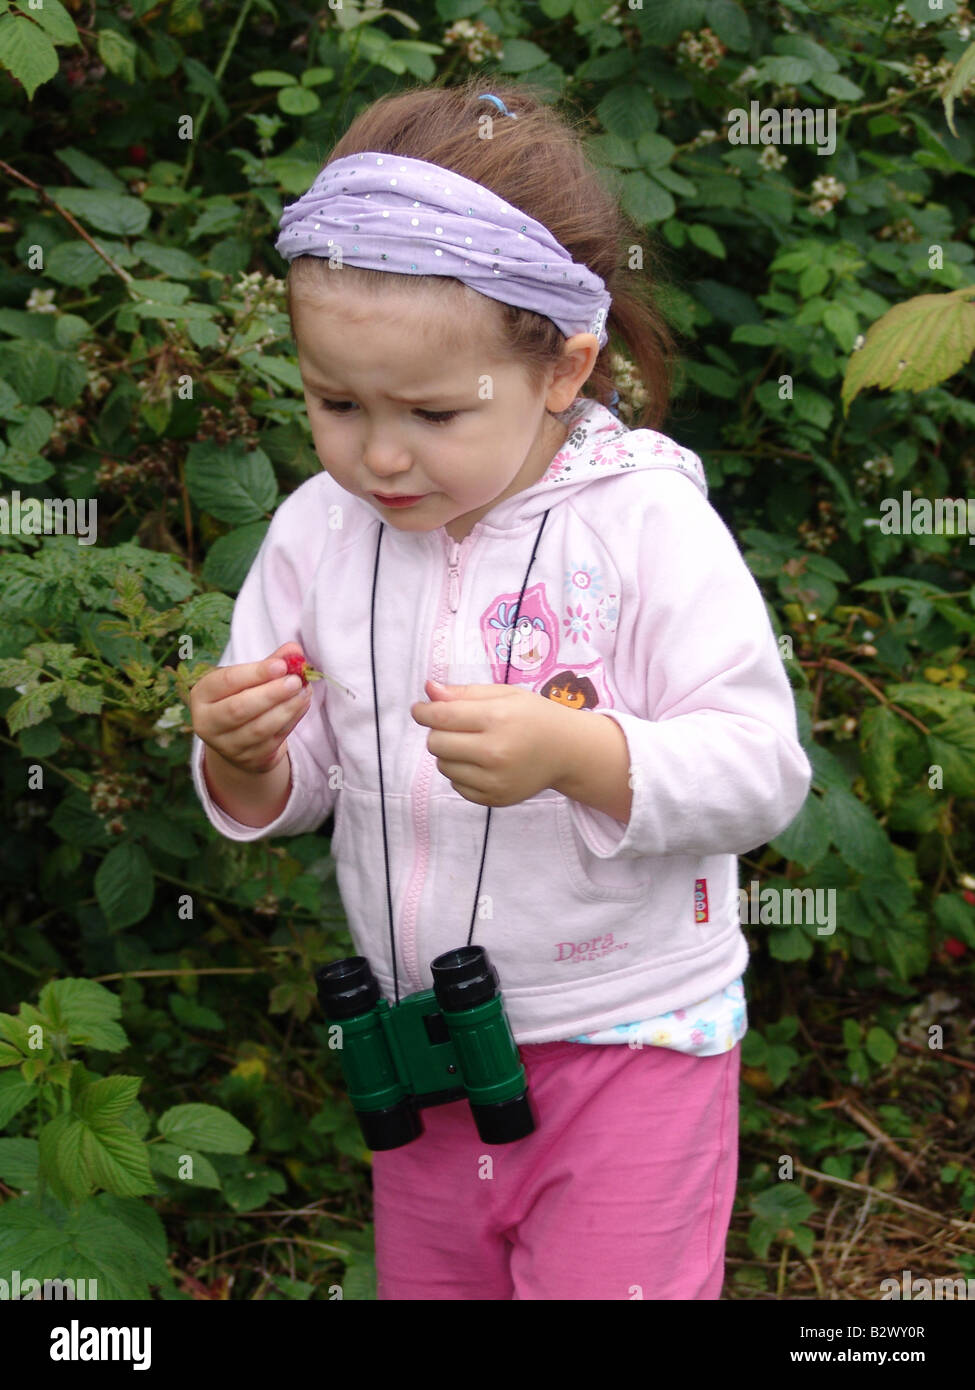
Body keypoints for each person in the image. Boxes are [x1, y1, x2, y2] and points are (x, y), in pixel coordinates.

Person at [188, 77, 812, 1301]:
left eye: (430, 410)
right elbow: (304, 777)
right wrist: (246, 754)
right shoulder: (322, 530)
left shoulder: (646, 527)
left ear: (563, 368)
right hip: (421, 1047)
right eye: (335, 403)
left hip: (629, 1038)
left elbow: (761, 769)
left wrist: (581, 756)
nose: (378, 453)